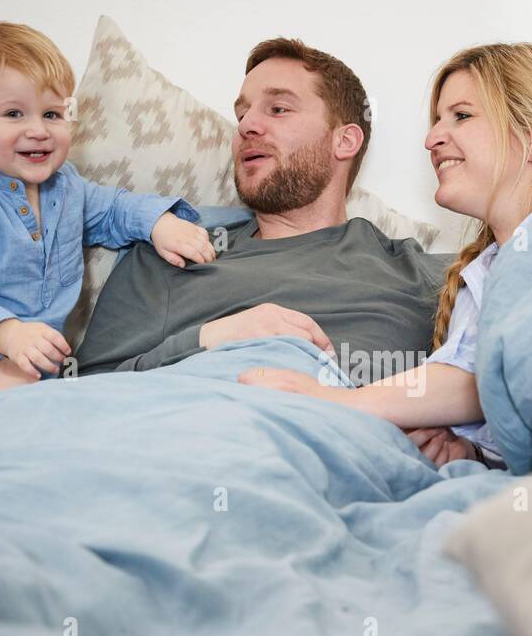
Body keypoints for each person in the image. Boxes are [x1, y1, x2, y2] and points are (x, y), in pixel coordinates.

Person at [239, 43, 532, 466]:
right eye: (436, 121)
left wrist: (338, 401)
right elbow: (472, 381)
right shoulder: (480, 279)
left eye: (461, 116)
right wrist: (472, 451)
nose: (431, 139)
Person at [73, 37, 452, 380]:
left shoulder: (425, 278)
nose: (246, 126)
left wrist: (455, 435)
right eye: (242, 114)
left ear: (345, 141)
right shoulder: (171, 253)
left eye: (278, 109)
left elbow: (481, 379)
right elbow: (85, 396)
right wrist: (214, 337)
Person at [0, 22, 212, 416]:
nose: (38, 130)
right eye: (14, 113)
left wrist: (159, 224)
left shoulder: (66, 187)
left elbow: (114, 209)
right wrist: (6, 332)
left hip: (33, 365)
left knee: (42, 406)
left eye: (52, 113)